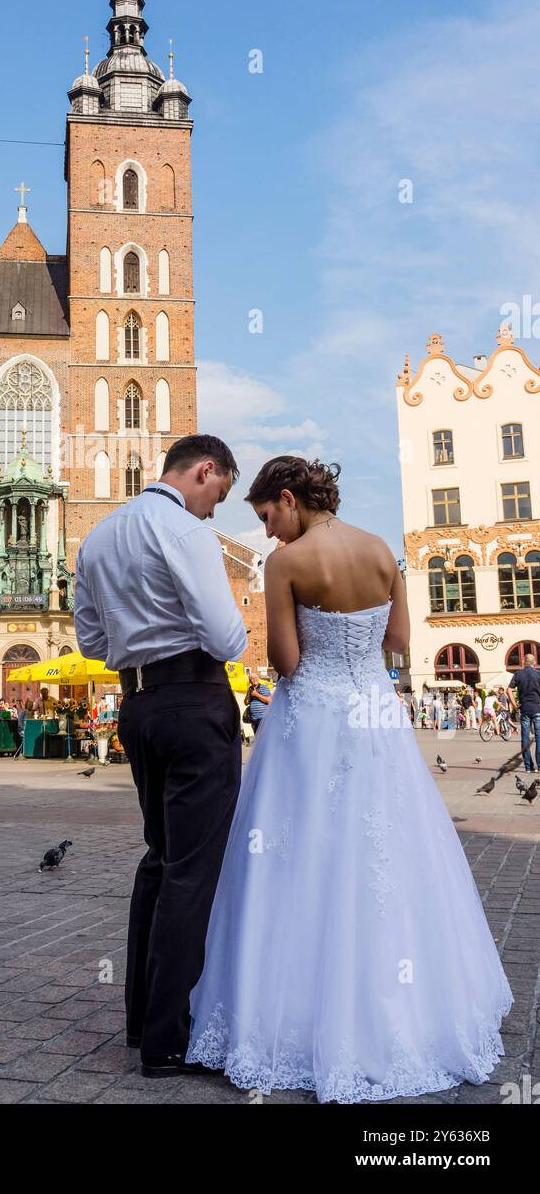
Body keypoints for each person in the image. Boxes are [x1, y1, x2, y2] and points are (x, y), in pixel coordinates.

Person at [185, 454, 512, 1101]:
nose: (270, 533)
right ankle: (403, 1014)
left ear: (288, 498)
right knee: (386, 855)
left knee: (297, 858)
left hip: (310, 722)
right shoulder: (382, 550)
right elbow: (397, 641)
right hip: (375, 717)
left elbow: (286, 660)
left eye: (268, 517)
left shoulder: (287, 564)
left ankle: (295, 1016)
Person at [74, 433, 246, 1076]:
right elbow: (225, 635)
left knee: (160, 858)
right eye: (219, 494)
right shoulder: (184, 529)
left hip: (137, 707)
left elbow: (91, 640)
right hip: (193, 699)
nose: (213, 509)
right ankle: (167, 1040)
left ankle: (141, 1017)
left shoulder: (98, 536)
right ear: (205, 471)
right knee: (190, 871)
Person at [508, 655, 540, 772]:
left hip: (525, 708)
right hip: (537, 708)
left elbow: (509, 689)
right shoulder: (538, 674)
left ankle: (528, 766)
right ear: (534, 662)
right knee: (539, 737)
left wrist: (515, 704)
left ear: (523, 662)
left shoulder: (518, 674)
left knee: (525, 738)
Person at [242, 677, 271, 744]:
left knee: (264, 738)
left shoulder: (264, 687)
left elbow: (269, 700)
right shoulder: (250, 689)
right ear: (250, 681)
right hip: (254, 719)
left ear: (258, 679)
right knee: (257, 739)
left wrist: (257, 695)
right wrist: (248, 694)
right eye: (252, 678)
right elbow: (246, 703)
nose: (254, 679)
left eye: (255, 677)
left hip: (263, 717)